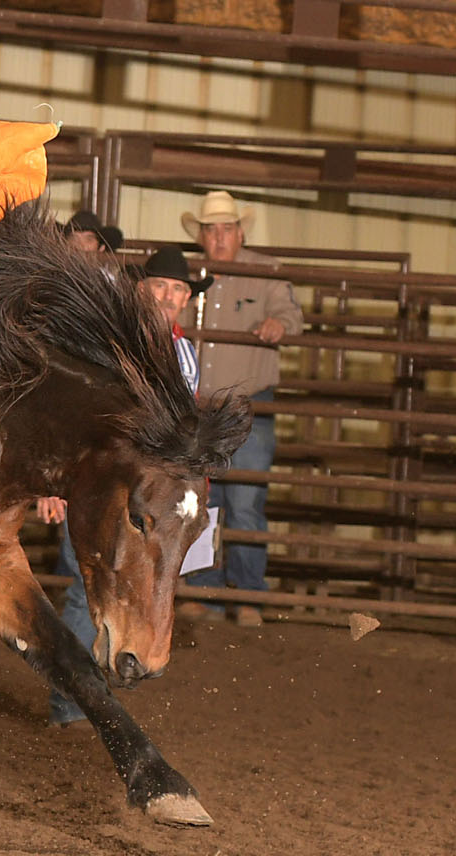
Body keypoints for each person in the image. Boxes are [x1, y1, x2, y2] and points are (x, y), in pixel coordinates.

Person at [43, 244, 207, 725]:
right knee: (86, 588)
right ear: (141, 289)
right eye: (161, 286)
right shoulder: (111, 345)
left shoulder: (184, 355)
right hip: (106, 491)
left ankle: (81, 698)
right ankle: (72, 705)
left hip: (148, 499)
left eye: (178, 289)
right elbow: (78, 420)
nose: (169, 295)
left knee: (125, 587)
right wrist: (56, 483)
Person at [179, 190, 301, 627]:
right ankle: (207, 593)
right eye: (211, 230)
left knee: (244, 502)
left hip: (249, 403)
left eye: (226, 228)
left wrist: (278, 324)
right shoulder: (194, 276)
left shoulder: (266, 273)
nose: (218, 236)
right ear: (204, 236)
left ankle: (248, 597)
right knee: (204, 500)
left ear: (240, 232)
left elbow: (292, 317)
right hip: (201, 405)